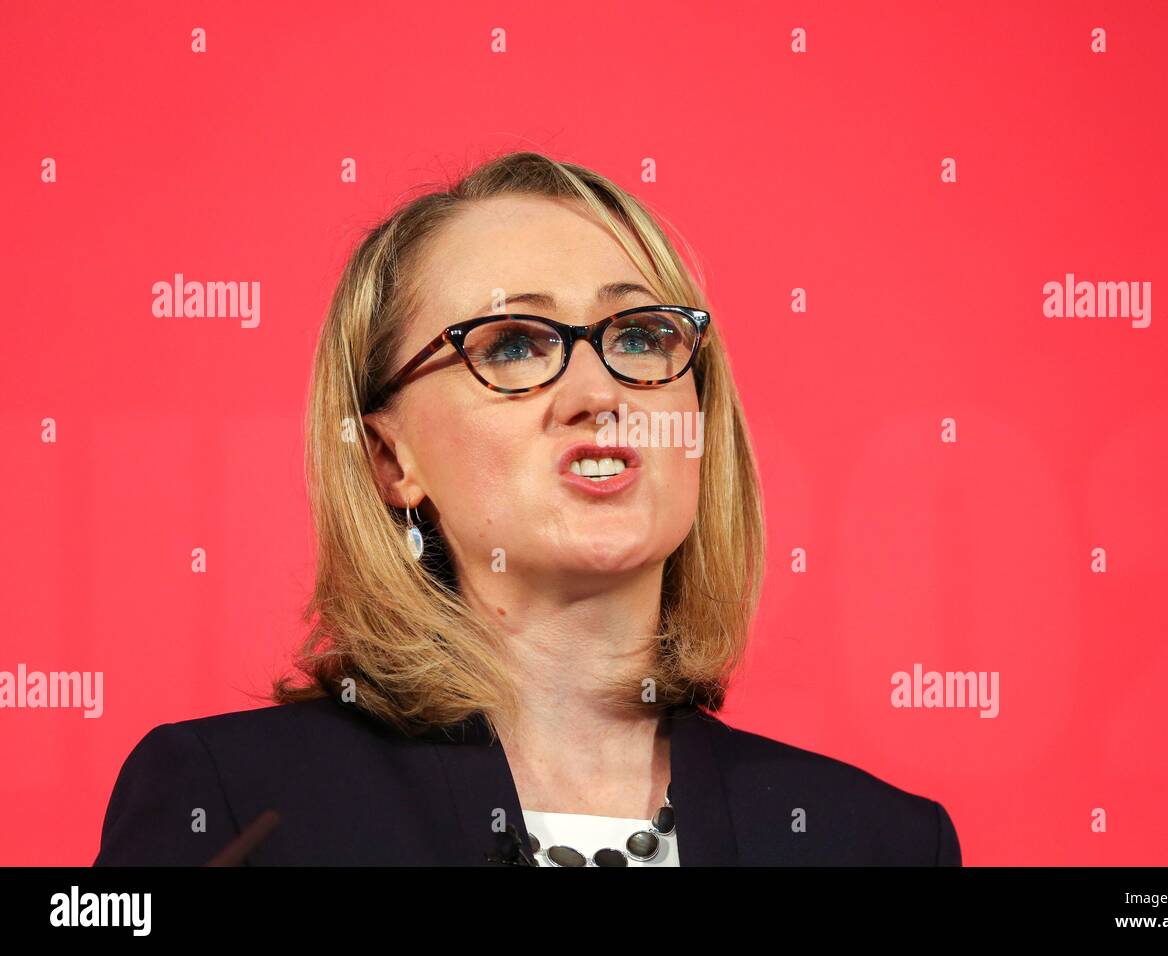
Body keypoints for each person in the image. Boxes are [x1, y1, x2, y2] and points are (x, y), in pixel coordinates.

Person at [93, 150, 961, 866]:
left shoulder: (880, 843)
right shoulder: (237, 802)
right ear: (393, 458)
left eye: (639, 336)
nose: (597, 391)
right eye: (512, 345)